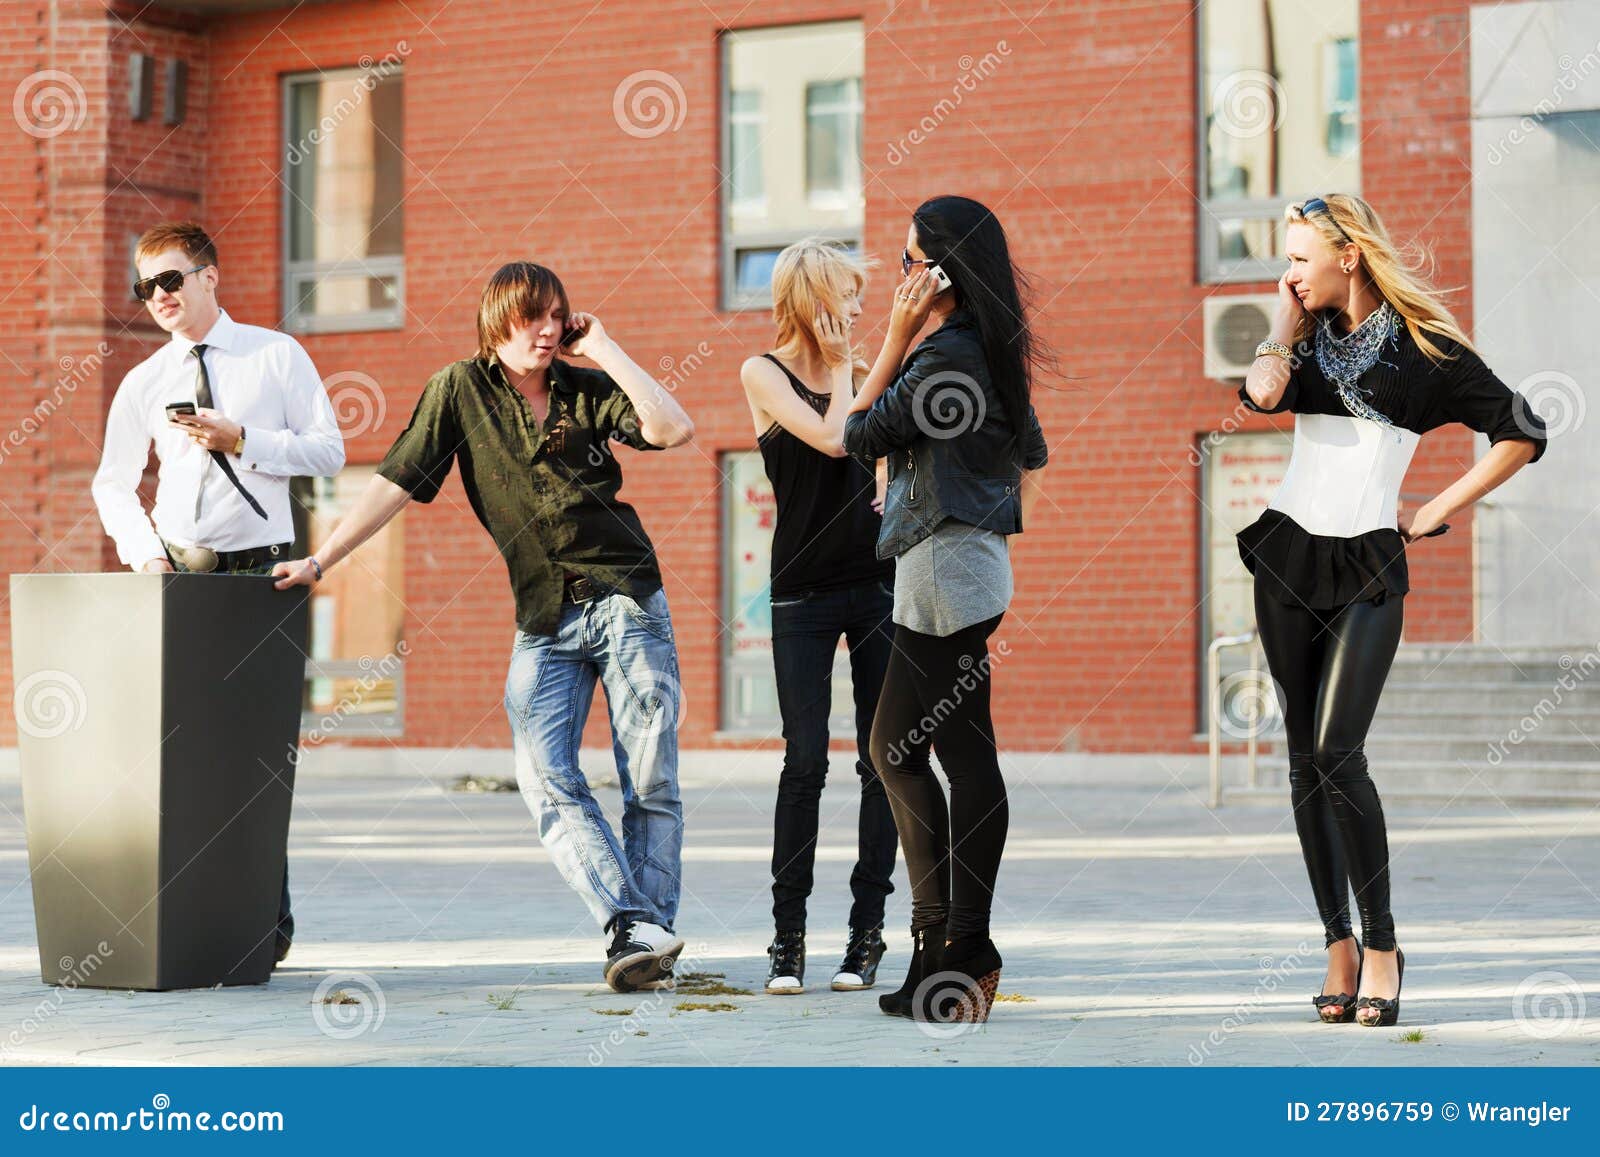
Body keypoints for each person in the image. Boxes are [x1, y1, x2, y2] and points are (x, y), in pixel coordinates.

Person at [273, 262, 696, 994]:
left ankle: (647, 938)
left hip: (627, 599)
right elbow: (394, 481)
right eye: (532, 316)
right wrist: (320, 559)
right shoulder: (458, 391)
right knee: (543, 775)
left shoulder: (586, 389)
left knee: (652, 777)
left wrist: (605, 349)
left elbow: (673, 428)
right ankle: (631, 923)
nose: (547, 329)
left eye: (557, 316)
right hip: (543, 615)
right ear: (497, 321)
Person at [1237, 193, 1547, 1027]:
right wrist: (1283, 316)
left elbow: (1521, 429)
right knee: (1302, 759)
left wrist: (1436, 505)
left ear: (1349, 256)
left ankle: (1382, 944)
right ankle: (1336, 944)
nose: (1289, 272)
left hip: (1369, 563)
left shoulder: (1425, 350)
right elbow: (1261, 395)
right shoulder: (1302, 339)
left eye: (1299, 258)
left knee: (1338, 752)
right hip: (1288, 559)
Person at [92, 220, 345, 967]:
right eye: (146, 287)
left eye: (171, 279)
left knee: (256, 756)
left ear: (210, 277)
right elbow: (112, 482)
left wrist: (245, 441)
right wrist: (144, 556)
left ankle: (265, 920)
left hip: (261, 579)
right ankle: (192, 917)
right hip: (178, 575)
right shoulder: (145, 380)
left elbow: (330, 450)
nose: (159, 296)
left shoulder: (276, 355)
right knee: (180, 754)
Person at [843, 196, 1050, 1024]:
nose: (900, 277)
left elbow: (856, 432)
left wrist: (894, 337)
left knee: (931, 753)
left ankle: (963, 946)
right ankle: (941, 947)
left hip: (943, 566)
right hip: (963, 561)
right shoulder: (988, 347)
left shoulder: (943, 354)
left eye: (909, 262)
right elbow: (1030, 448)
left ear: (941, 272)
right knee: (913, 749)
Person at [739, 240, 898, 995]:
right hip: (801, 590)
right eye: (847, 294)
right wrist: (841, 371)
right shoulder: (762, 372)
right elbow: (835, 438)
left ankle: (867, 935)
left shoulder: (863, 376)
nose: (859, 308)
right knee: (805, 761)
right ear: (812, 299)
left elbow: (880, 459)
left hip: (875, 586)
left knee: (881, 760)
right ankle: (788, 940)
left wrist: (888, 483)